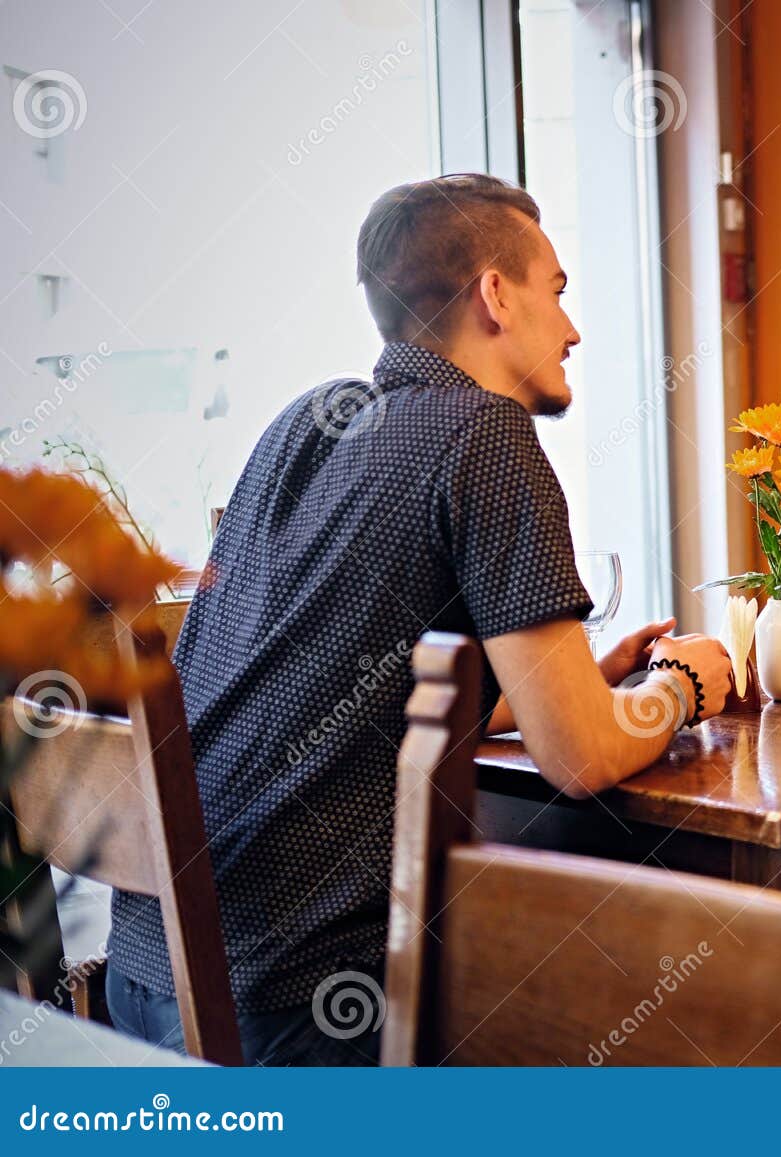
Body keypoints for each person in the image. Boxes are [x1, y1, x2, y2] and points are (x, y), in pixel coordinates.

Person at [106, 175, 734, 1065]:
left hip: (151, 980)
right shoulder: (485, 433)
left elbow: (339, 688)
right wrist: (686, 682)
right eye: (556, 292)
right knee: (664, 1027)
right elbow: (582, 756)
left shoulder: (306, 421)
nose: (573, 326)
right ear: (494, 294)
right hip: (303, 1011)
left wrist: (578, 682)